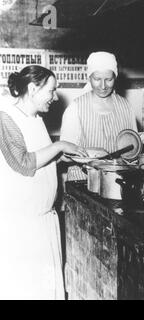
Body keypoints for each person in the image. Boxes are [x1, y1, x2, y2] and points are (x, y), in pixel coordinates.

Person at [0, 65, 87, 299]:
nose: (55, 97)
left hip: (43, 221)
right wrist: (60, 145)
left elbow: (44, 161)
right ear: (33, 88)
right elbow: (24, 163)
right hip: (21, 227)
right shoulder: (5, 118)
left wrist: (79, 154)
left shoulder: (35, 118)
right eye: (51, 90)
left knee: (46, 290)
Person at [60, 51, 138, 180]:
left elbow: (133, 150)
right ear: (89, 77)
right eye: (97, 79)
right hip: (82, 181)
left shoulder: (125, 106)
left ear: (115, 77)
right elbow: (65, 154)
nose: (103, 86)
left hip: (116, 182)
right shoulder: (76, 108)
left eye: (108, 79)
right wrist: (93, 154)